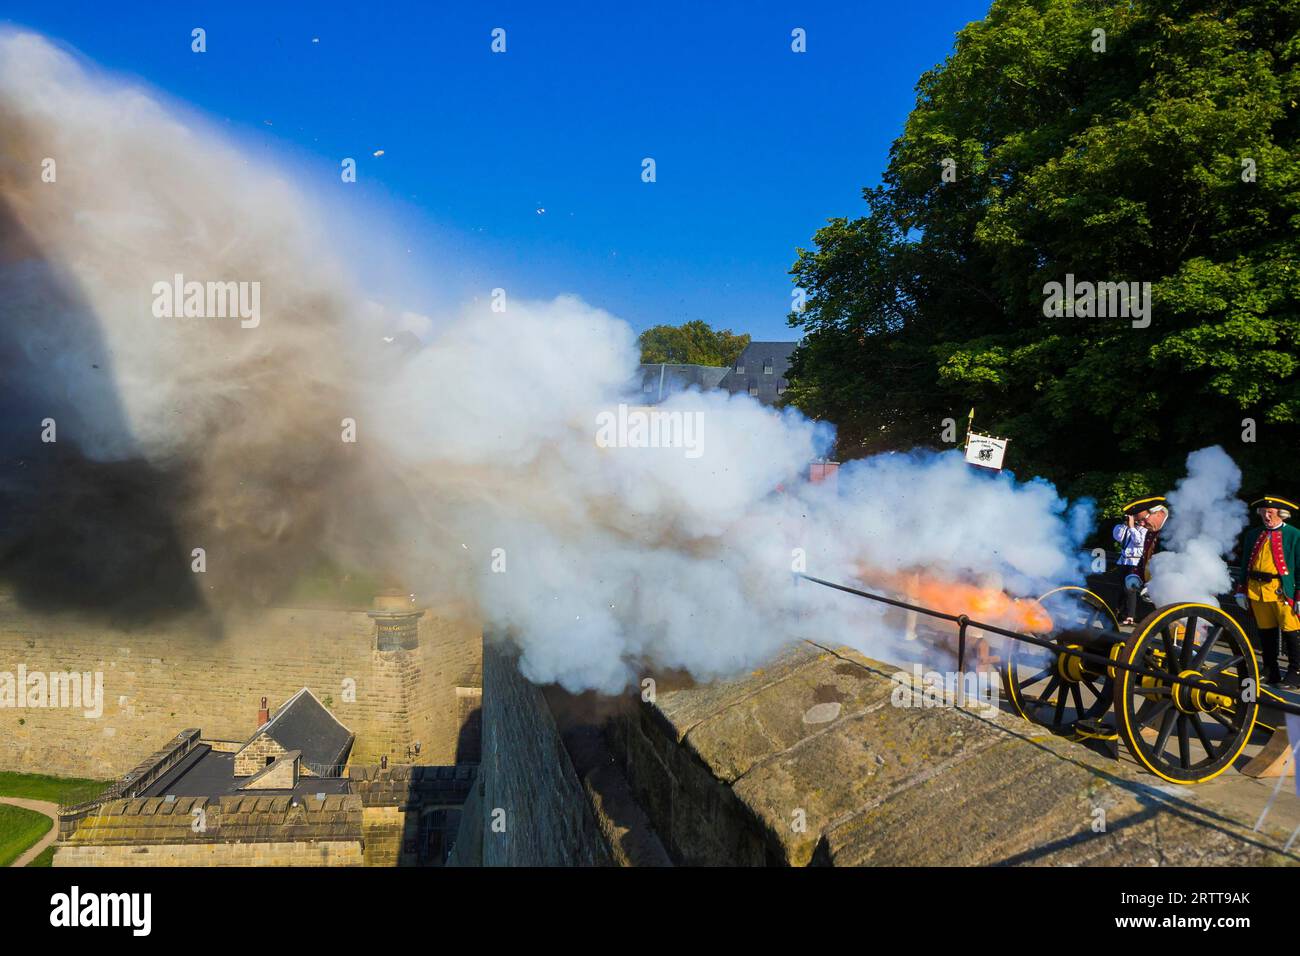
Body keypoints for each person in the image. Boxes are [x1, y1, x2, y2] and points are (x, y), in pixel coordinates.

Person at [1234, 496, 1300, 688]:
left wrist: (1298, 594)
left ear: (1281, 514)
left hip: (1281, 591)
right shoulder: (1253, 534)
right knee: (1266, 632)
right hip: (1257, 590)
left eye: (1270, 513)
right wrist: (1241, 590)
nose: (1266, 517)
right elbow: (1245, 562)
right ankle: (1271, 670)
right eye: (1263, 513)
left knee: (1291, 631)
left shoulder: (1295, 535)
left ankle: (1295, 673)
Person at [1114, 496, 1169, 626]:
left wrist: (1157, 583)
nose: (1142, 525)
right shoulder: (1151, 531)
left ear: (1159, 513)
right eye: (1139, 522)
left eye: (1143, 520)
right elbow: (1145, 557)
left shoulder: (1177, 528)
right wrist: (1136, 575)